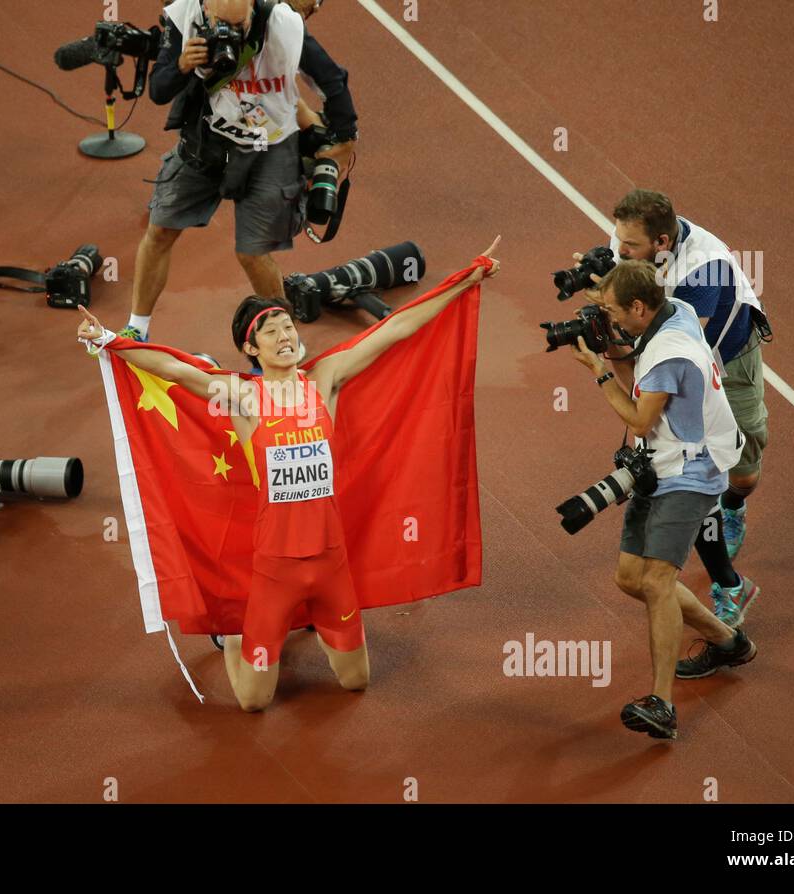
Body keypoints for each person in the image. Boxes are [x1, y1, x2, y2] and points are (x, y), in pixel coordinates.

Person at [79, 237, 500, 711]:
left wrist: (465, 281)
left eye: (289, 327)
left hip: (331, 562)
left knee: (356, 682)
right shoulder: (240, 396)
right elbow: (174, 370)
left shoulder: (325, 380)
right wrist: (109, 341)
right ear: (250, 347)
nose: (286, 337)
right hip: (275, 571)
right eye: (272, 332)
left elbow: (396, 330)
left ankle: (314, 622)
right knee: (254, 703)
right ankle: (236, 637)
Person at [568, 260, 757, 740]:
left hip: (692, 470)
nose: (607, 319)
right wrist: (611, 338)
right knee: (631, 578)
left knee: (656, 580)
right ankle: (728, 641)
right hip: (661, 461)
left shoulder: (668, 355)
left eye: (612, 311)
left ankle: (662, 703)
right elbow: (637, 367)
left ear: (637, 306)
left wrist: (597, 369)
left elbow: (636, 417)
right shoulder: (676, 312)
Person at [122, 0, 359, 344]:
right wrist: (181, 64)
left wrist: (345, 135)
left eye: (241, 25)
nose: (232, 34)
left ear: (254, 7)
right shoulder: (183, 16)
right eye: (223, 23)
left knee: (252, 253)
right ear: (206, 9)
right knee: (159, 232)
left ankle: (284, 343)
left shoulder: (282, 24)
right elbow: (159, 90)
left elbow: (332, 79)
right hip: (206, 144)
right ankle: (136, 329)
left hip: (268, 152)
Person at [606, 189, 767, 626]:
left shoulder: (704, 267)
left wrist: (612, 361)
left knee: (743, 473)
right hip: (675, 369)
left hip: (726, 362)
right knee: (690, 479)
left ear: (660, 243)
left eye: (630, 245)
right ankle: (728, 581)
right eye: (619, 240)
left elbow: (679, 350)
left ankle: (734, 504)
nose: (619, 250)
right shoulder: (626, 243)